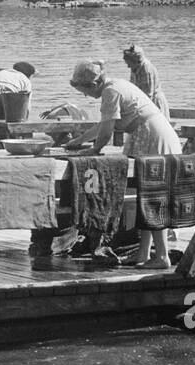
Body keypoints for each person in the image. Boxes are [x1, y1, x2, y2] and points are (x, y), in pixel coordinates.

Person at [66, 58, 182, 267]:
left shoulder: (110, 92)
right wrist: (78, 141)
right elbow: (104, 125)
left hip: (154, 138)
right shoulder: (115, 85)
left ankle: (162, 256)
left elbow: (106, 132)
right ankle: (144, 253)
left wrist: (94, 150)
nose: (85, 95)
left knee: (153, 198)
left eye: (85, 90)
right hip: (148, 134)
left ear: (94, 84)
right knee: (144, 197)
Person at [123, 44, 169, 117]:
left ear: (136, 61)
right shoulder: (134, 67)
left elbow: (148, 95)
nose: (128, 66)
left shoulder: (146, 69)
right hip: (143, 103)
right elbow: (132, 88)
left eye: (129, 64)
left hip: (153, 103)